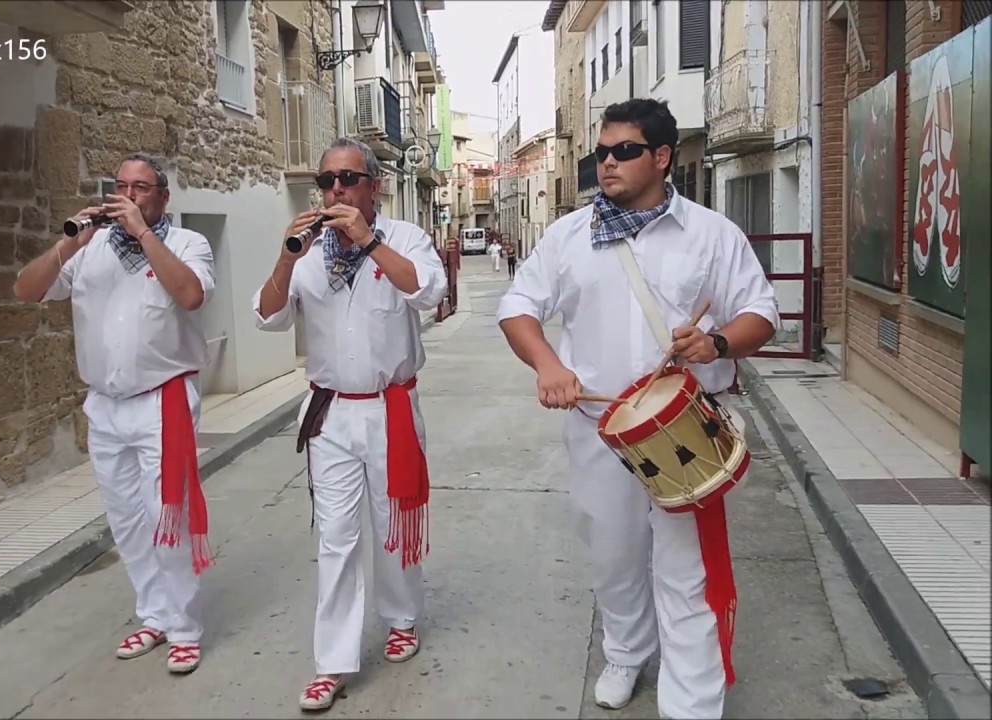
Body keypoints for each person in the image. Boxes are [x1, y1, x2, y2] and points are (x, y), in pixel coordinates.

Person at [496, 99, 779, 719]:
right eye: (601, 152)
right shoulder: (567, 236)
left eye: (624, 150)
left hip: (685, 427)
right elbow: (517, 307)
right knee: (614, 555)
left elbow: (762, 313)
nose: (608, 163)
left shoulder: (711, 234)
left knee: (685, 570)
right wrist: (549, 365)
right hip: (599, 430)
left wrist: (717, 342)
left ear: (661, 157)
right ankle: (626, 651)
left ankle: (692, 703)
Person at [252, 137, 448, 712]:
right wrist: (288, 256)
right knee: (336, 538)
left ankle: (401, 617)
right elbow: (266, 316)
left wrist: (369, 240)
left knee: (394, 524)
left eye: (348, 180)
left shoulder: (406, 237)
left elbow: (430, 291)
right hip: (331, 413)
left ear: (374, 185)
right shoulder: (308, 251)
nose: (335, 190)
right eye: (327, 181)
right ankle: (332, 662)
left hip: (391, 407)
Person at [12, 153, 216, 675]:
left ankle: (185, 628)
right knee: (126, 520)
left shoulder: (187, 243)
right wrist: (68, 244)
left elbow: (191, 296)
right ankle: (154, 614)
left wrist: (145, 236)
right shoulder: (90, 249)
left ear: (162, 198)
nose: (128, 194)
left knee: (165, 516)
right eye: (120, 185)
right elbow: (25, 290)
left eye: (141, 188)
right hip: (104, 405)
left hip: (162, 402)